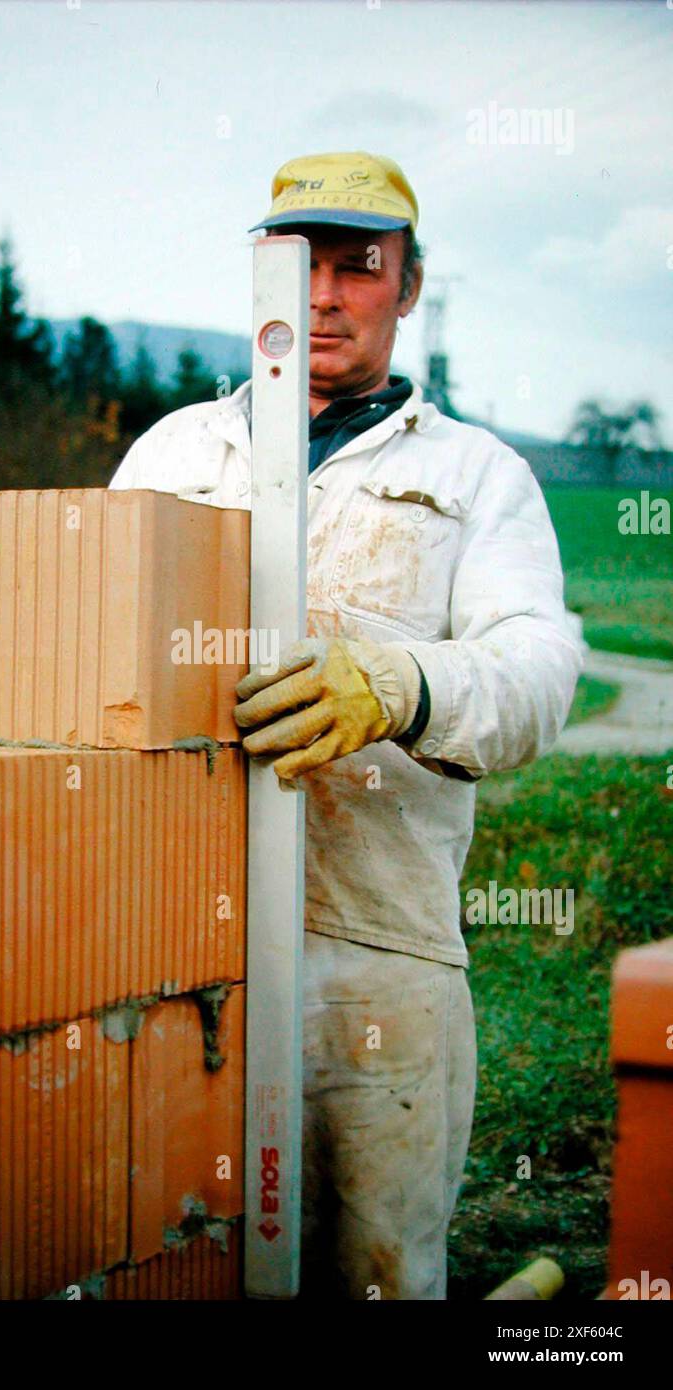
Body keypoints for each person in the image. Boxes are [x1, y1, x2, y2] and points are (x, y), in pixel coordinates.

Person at [108, 151, 582, 1299]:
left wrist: (397, 687)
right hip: (182, 947)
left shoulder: (475, 475)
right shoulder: (176, 454)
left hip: (382, 950)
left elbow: (538, 673)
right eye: (294, 264)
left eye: (358, 267)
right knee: (181, 1258)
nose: (321, 294)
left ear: (407, 287)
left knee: (377, 1269)